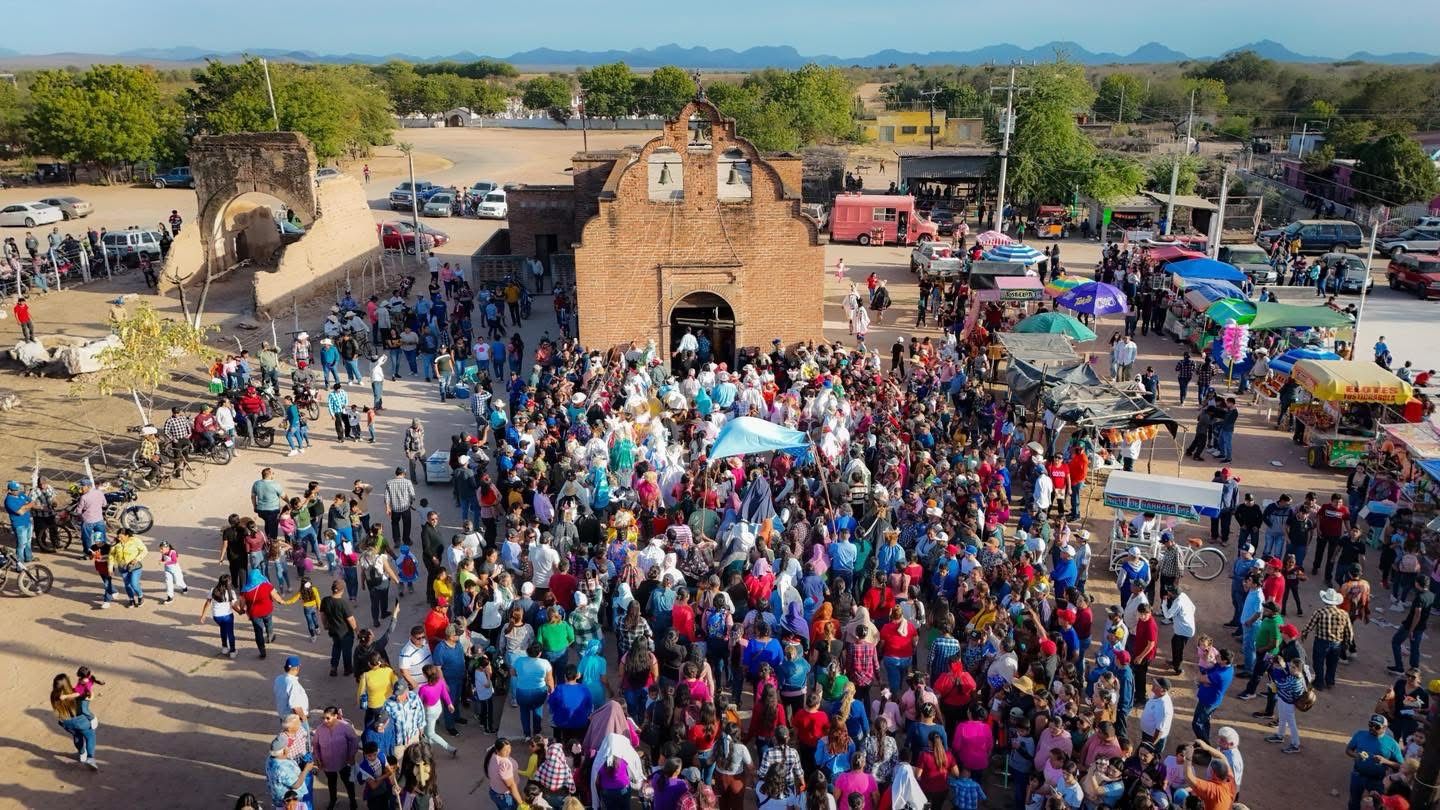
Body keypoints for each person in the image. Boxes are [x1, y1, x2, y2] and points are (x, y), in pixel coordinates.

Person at [51, 672, 99, 770]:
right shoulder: (75, 694)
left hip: (65, 722)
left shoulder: (53, 695)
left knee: (77, 735)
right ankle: (90, 758)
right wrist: (90, 694)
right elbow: (85, 707)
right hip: (80, 721)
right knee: (90, 736)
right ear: (67, 683)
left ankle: (82, 754)